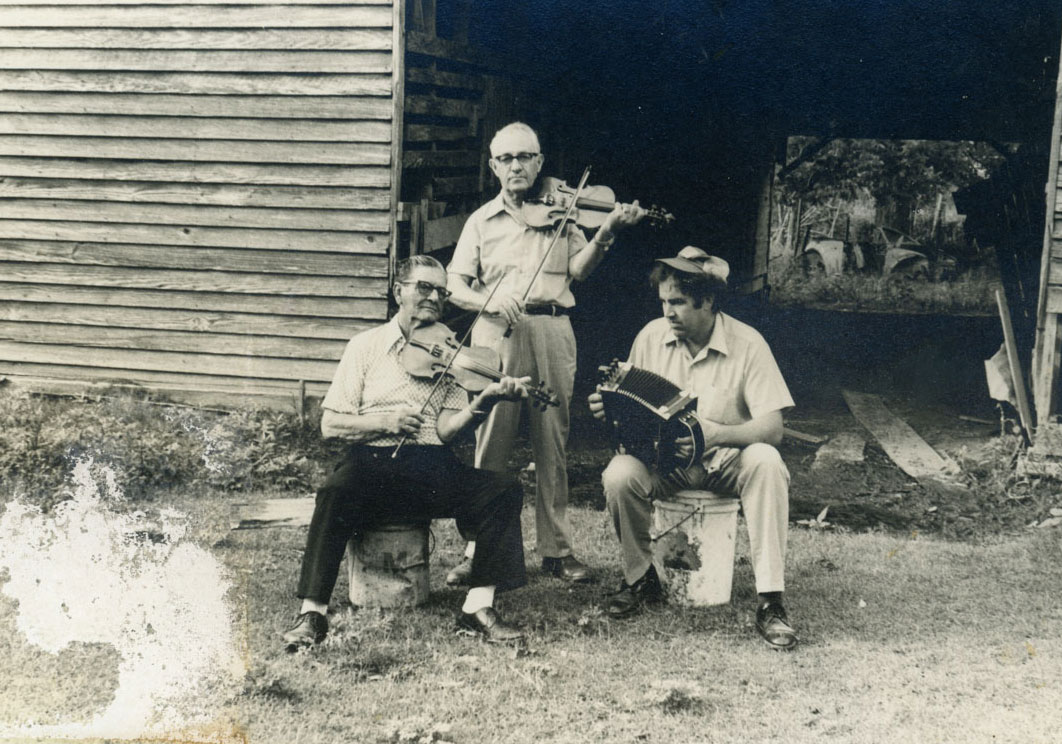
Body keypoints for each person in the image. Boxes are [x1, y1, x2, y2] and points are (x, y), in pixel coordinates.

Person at [282, 255, 532, 650]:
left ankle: (478, 607)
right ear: (399, 291)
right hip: (371, 461)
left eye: (441, 291)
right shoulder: (364, 347)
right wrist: (386, 422)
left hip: (431, 466)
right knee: (334, 492)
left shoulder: (450, 350)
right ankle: (313, 613)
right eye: (424, 287)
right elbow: (331, 424)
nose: (434, 297)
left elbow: (447, 430)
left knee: (502, 488)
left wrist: (484, 400)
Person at [445, 122, 645, 583]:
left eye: (525, 157)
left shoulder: (564, 213)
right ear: (494, 166)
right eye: (507, 158)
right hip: (496, 334)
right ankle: (479, 549)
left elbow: (580, 270)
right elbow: (455, 285)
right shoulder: (480, 221)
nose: (517, 165)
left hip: (554, 328)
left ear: (539, 162)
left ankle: (556, 551)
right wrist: (487, 300)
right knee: (489, 441)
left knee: (552, 440)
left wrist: (607, 232)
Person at [588, 246, 799, 651]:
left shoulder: (748, 343)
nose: (668, 312)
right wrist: (608, 410)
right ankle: (640, 578)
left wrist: (716, 433)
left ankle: (771, 601)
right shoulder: (650, 337)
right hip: (667, 465)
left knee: (767, 461)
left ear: (708, 300)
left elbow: (773, 428)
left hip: (726, 462)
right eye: (664, 301)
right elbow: (632, 411)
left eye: (679, 302)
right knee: (619, 474)